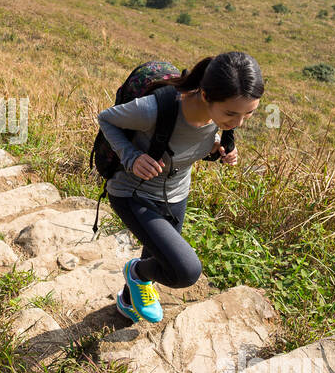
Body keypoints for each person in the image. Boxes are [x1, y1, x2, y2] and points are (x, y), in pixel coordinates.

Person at [96, 52, 264, 324]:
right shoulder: (153, 110)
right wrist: (131, 156)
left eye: (249, 113)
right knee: (185, 270)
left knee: (160, 254)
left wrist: (218, 149)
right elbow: (106, 118)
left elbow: (189, 141)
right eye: (231, 113)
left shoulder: (221, 117)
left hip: (175, 194)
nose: (238, 123)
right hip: (133, 192)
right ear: (205, 95)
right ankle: (137, 273)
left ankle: (127, 301)